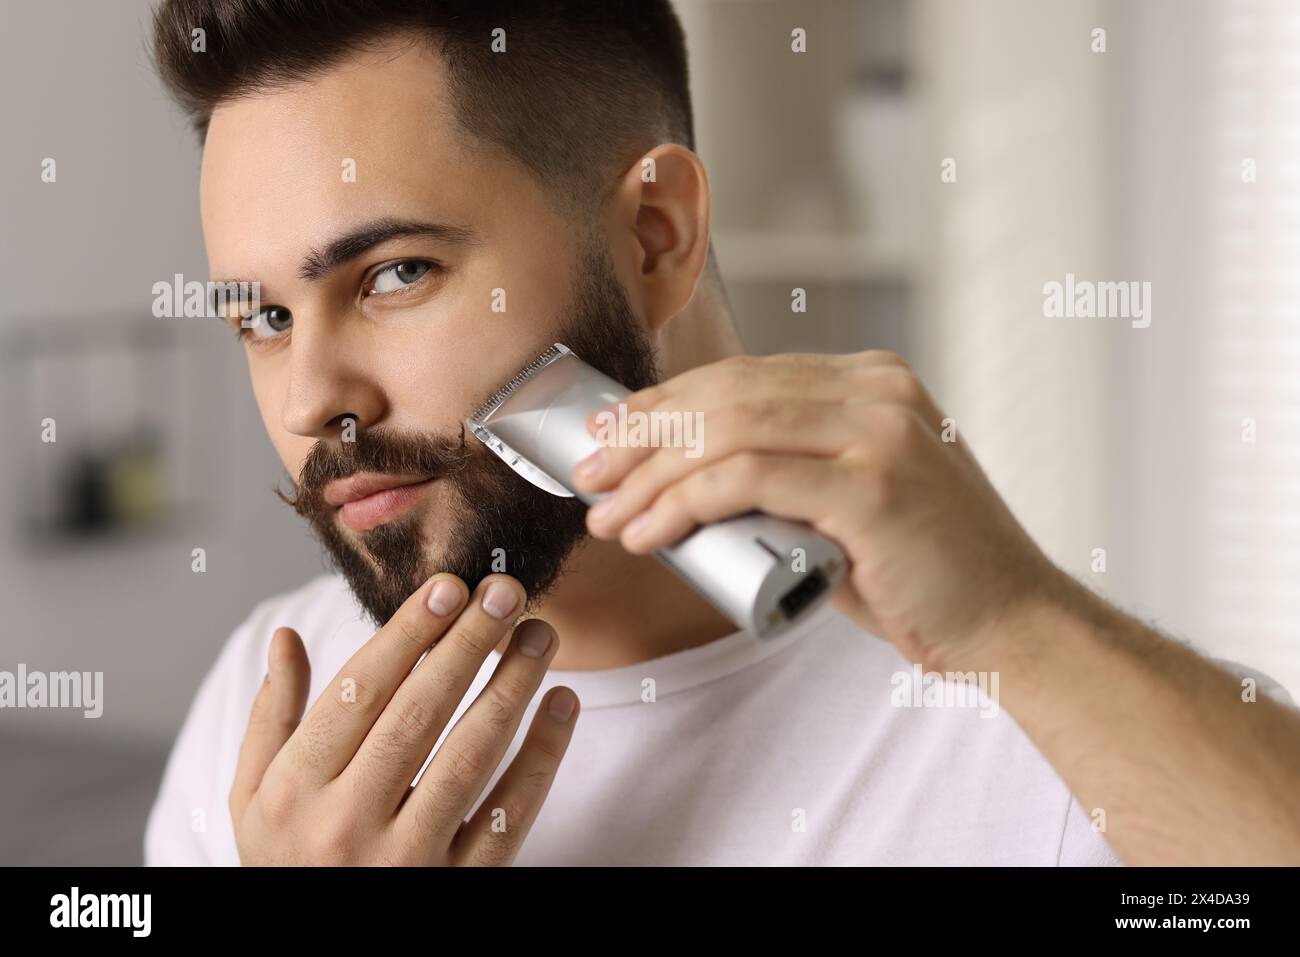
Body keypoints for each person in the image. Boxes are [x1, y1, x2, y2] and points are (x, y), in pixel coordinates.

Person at [144, 0, 1300, 866]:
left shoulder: (1050, 742)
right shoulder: (275, 715)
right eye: (263, 319)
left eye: (395, 273)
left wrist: (1017, 626)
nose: (309, 402)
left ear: (655, 235)